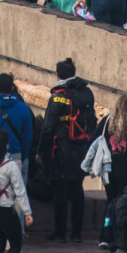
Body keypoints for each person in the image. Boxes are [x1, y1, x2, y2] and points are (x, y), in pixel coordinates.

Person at [37, 61, 98, 242]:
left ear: (58, 74)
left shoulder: (57, 97)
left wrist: (41, 151)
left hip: (61, 149)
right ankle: (77, 233)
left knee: (60, 191)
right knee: (77, 188)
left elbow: (48, 128)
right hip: (81, 147)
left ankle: (60, 231)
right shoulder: (86, 92)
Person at [97, 93, 127, 249]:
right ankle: (118, 235)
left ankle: (105, 235)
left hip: (107, 169)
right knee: (123, 203)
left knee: (110, 201)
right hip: (125, 171)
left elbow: (95, 139)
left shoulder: (107, 121)